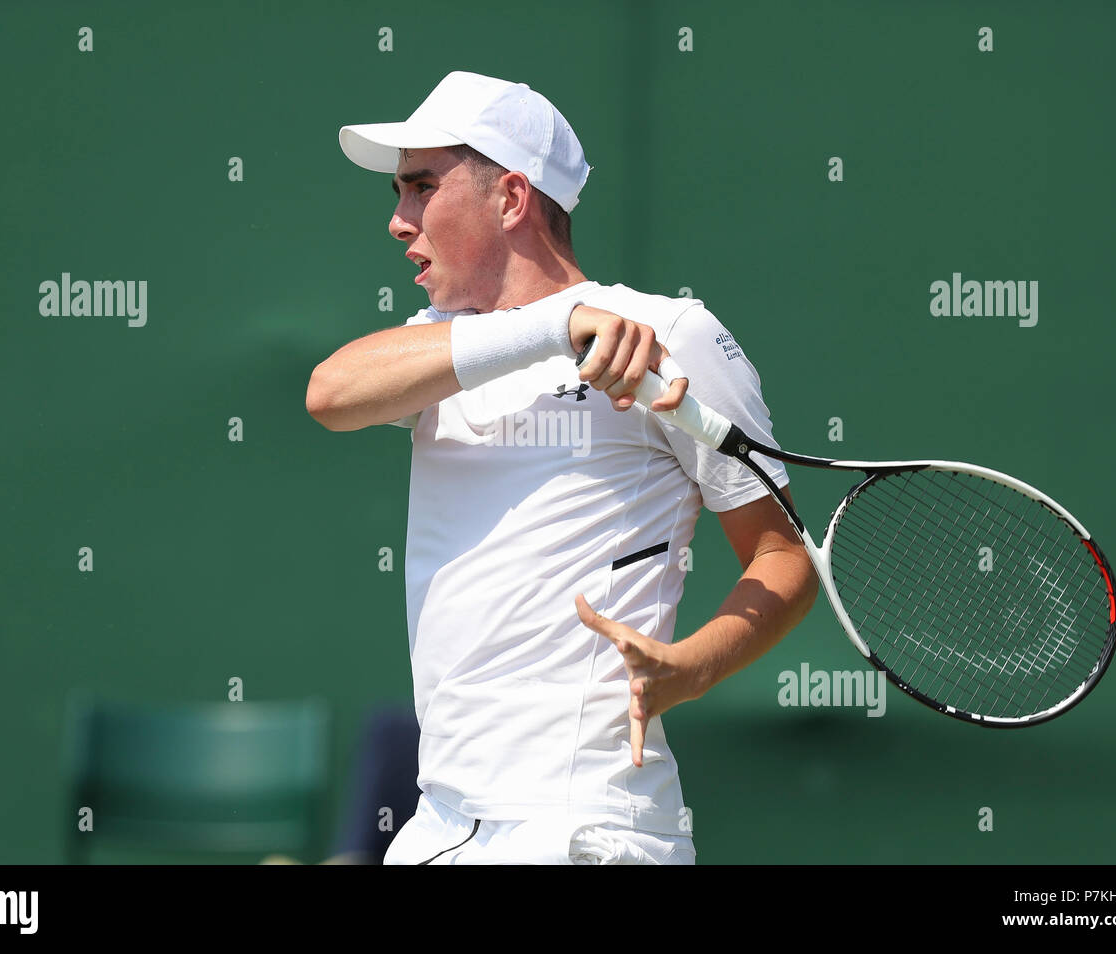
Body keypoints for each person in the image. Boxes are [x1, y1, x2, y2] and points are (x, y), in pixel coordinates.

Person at [309, 71, 817, 864]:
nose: (397, 220)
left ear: (510, 198)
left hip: (583, 831)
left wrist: (691, 668)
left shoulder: (670, 333)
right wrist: (553, 325)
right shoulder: (451, 346)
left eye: (420, 188)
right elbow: (330, 393)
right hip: (438, 823)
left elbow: (784, 555)